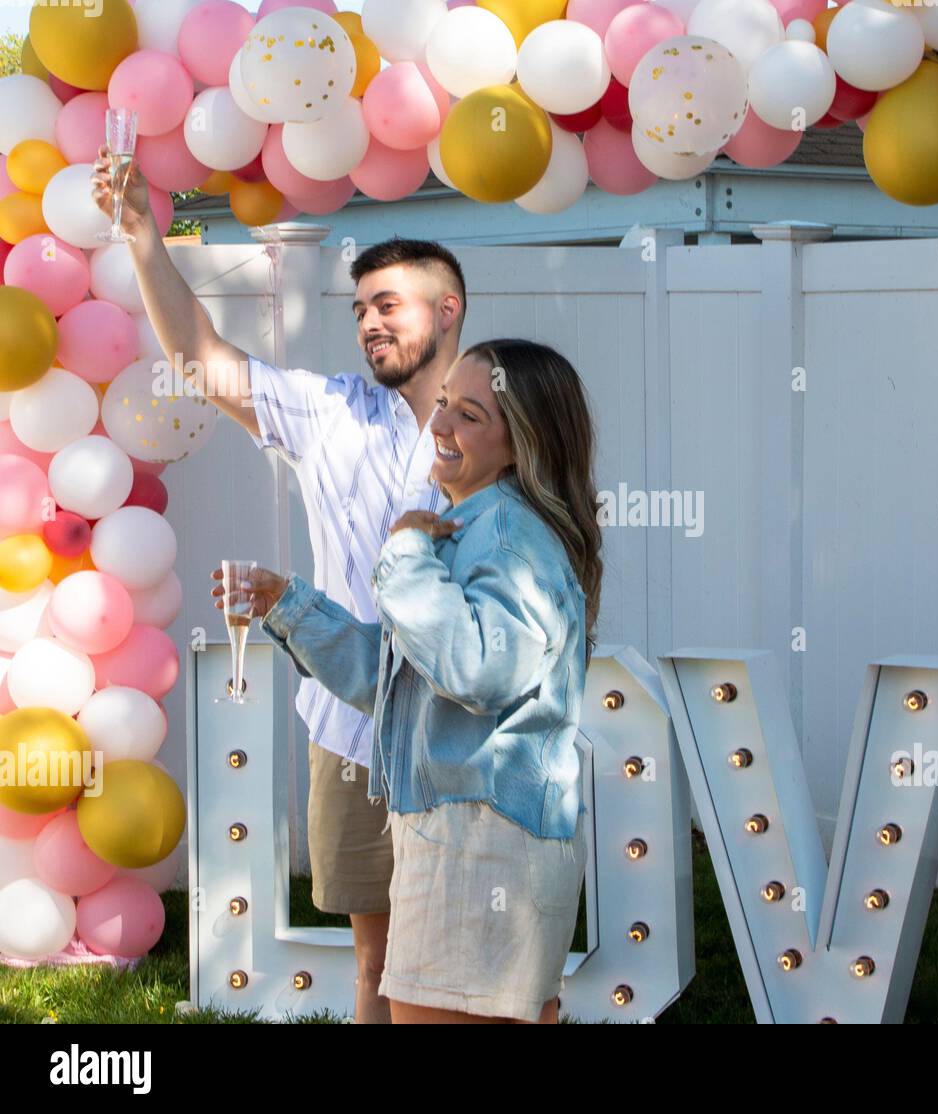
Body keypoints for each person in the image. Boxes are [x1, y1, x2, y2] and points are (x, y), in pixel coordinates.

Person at [90, 152, 469, 1024]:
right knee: (376, 954)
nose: (370, 324)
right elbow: (200, 355)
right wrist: (149, 235)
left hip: (466, 734)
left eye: (390, 306)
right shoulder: (327, 410)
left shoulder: (499, 419)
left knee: (465, 952)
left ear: (447, 312)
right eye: (362, 309)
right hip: (352, 731)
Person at [213, 339, 603, 1024]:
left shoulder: (504, 539)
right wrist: (289, 605)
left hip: (483, 851)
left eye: (471, 415)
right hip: (463, 841)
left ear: (522, 444)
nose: (442, 425)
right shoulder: (469, 526)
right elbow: (402, 683)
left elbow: (476, 672)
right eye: (445, 403)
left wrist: (402, 553)